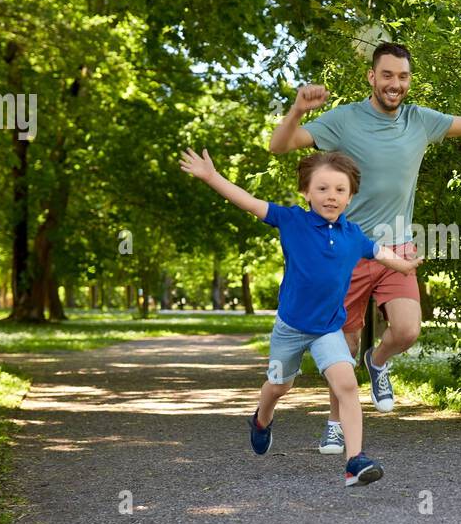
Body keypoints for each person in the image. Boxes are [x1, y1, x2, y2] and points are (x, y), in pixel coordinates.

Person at [268, 41, 461, 455]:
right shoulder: (344, 120)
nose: (395, 84)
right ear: (372, 77)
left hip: (396, 249)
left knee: (406, 330)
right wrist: (296, 110)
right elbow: (279, 145)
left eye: (402, 77)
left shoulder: (419, 121)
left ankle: (379, 362)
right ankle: (334, 423)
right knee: (343, 346)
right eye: (387, 75)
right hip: (345, 250)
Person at [179, 146, 419, 487]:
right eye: (322, 188)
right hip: (290, 329)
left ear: (351, 196)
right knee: (279, 386)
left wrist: (405, 265)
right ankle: (261, 420)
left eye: (340, 190)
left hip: (327, 331)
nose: (331, 196)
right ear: (306, 191)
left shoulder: (353, 236)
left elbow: (380, 252)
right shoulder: (291, 220)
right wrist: (212, 176)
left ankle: (355, 461)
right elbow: (248, 202)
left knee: (347, 384)